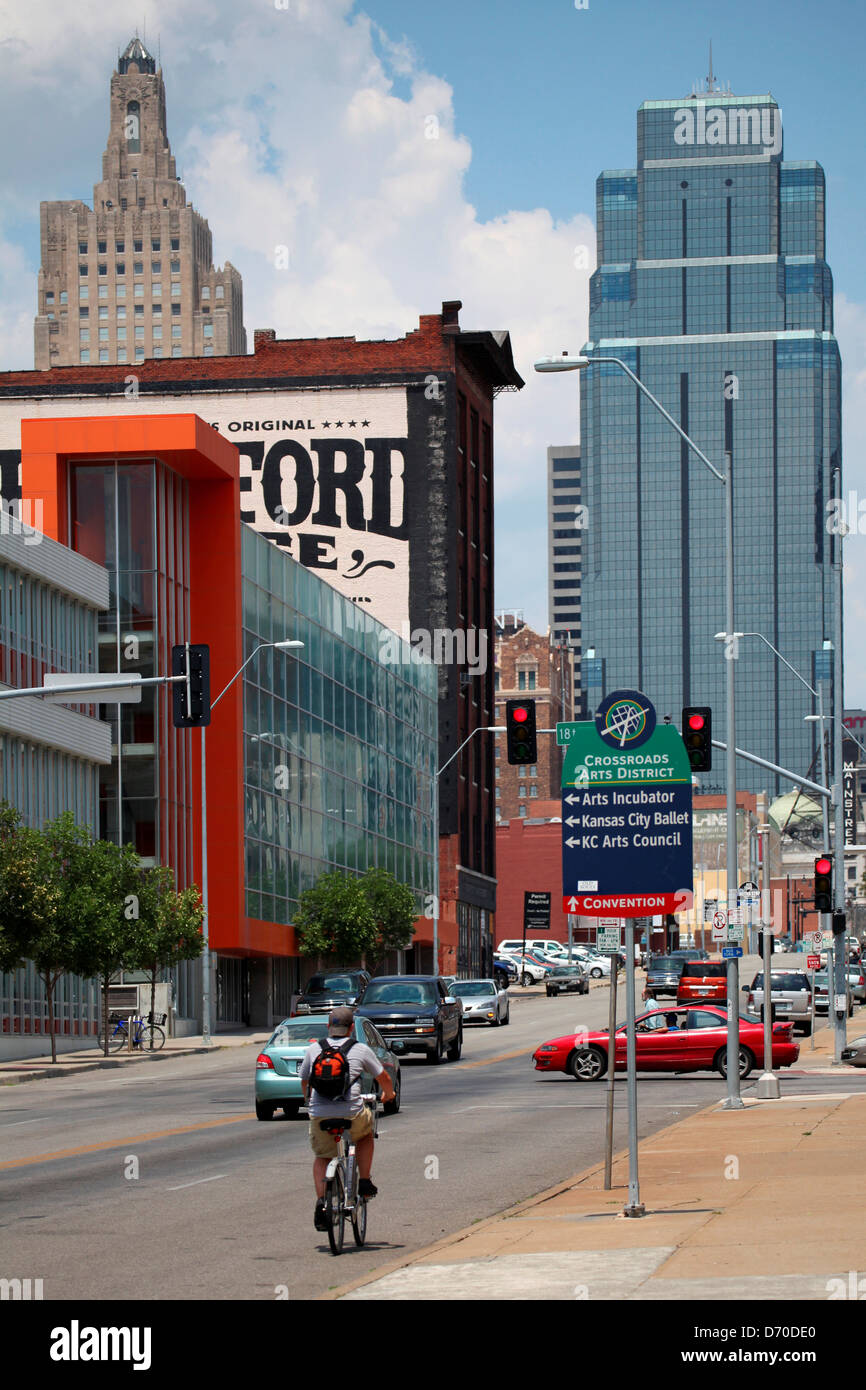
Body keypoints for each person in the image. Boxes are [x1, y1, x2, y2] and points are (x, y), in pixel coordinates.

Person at [299, 1005, 396, 1232]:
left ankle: (322, 1203)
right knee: (364, 1136)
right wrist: (388, 1094)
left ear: (328, 1027)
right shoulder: (359, 1049)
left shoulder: (314, 1050)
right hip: (351, 1111)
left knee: (322, 1156)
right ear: (352, 1028)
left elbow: (305, 1080)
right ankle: (363, 1181)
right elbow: (382, 1075)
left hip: (320, 1113)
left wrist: (308, 1099)